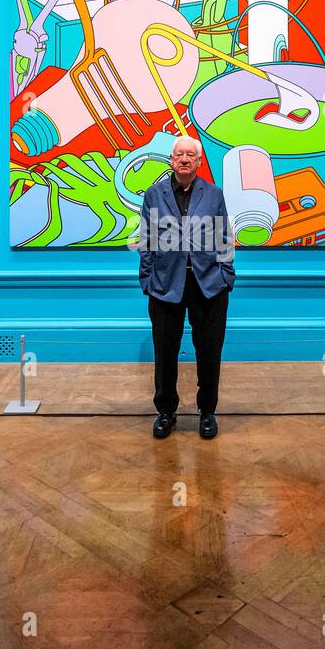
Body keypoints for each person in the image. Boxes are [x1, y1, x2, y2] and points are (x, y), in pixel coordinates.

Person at [136, 135, 235, 440]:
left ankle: (207, 412)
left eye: (190, 155)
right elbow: (146, 239)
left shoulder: (214, 194)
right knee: (165, 353)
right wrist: (148, 279)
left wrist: (225, 275)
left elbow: (224, 237)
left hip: (208, 286)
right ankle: (166, 412)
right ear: (171, 160)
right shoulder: (155, 194)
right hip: (166, 285)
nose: (184, 159)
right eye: (179, 154)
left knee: (209, 352)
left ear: (199, 162)